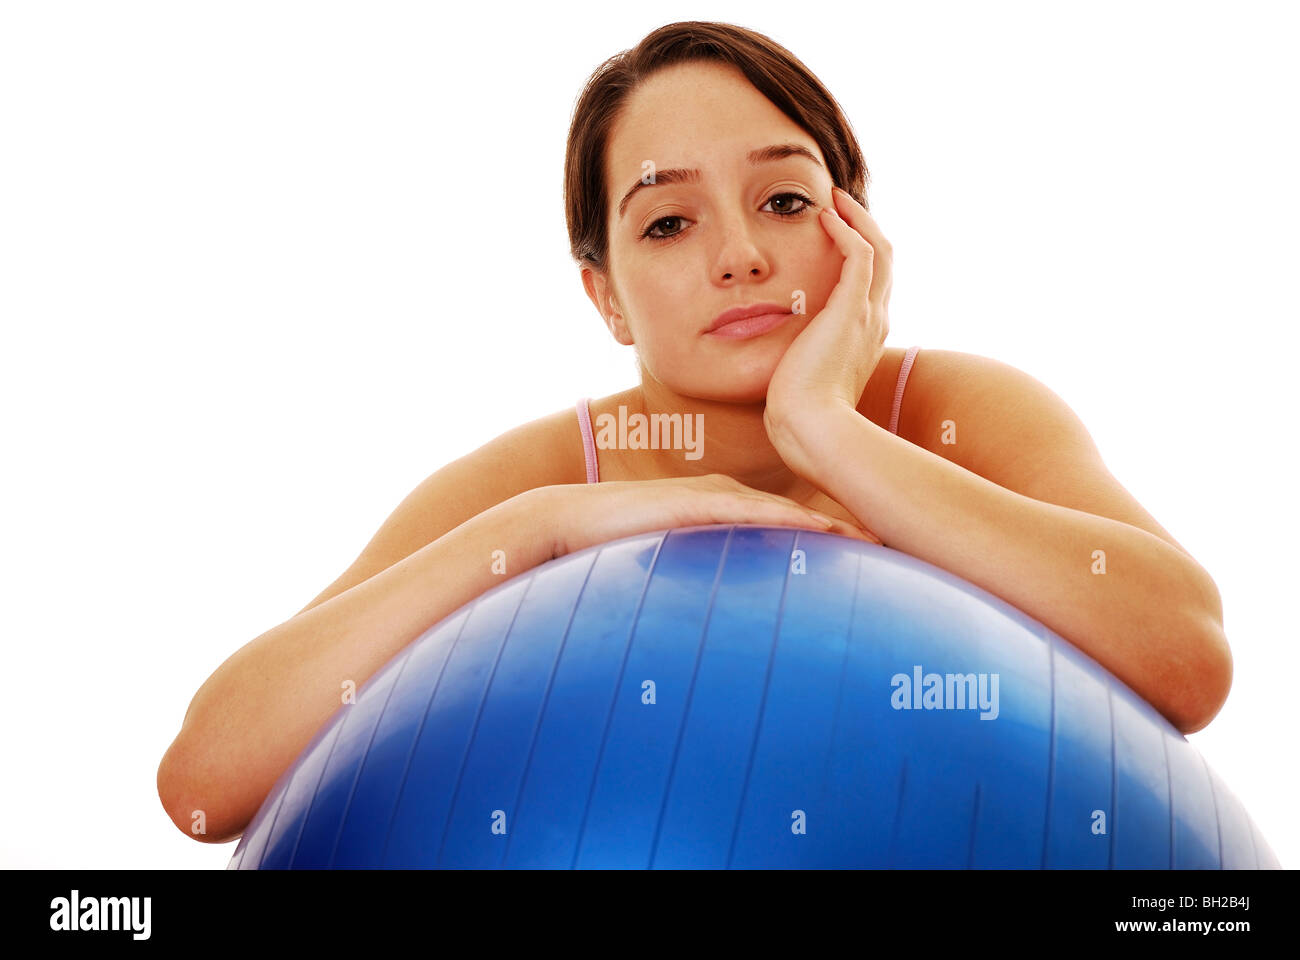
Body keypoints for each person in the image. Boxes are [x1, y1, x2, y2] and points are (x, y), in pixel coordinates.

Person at [157, 21, 1231, 845]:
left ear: (855, 229)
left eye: (782, 199)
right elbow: (205, 785)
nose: (740, 256)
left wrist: (824, 429)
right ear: (605, 298)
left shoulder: (960, 411)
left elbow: (1185, 656)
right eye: (668, 221)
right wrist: (543, 532)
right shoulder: (533, 478)